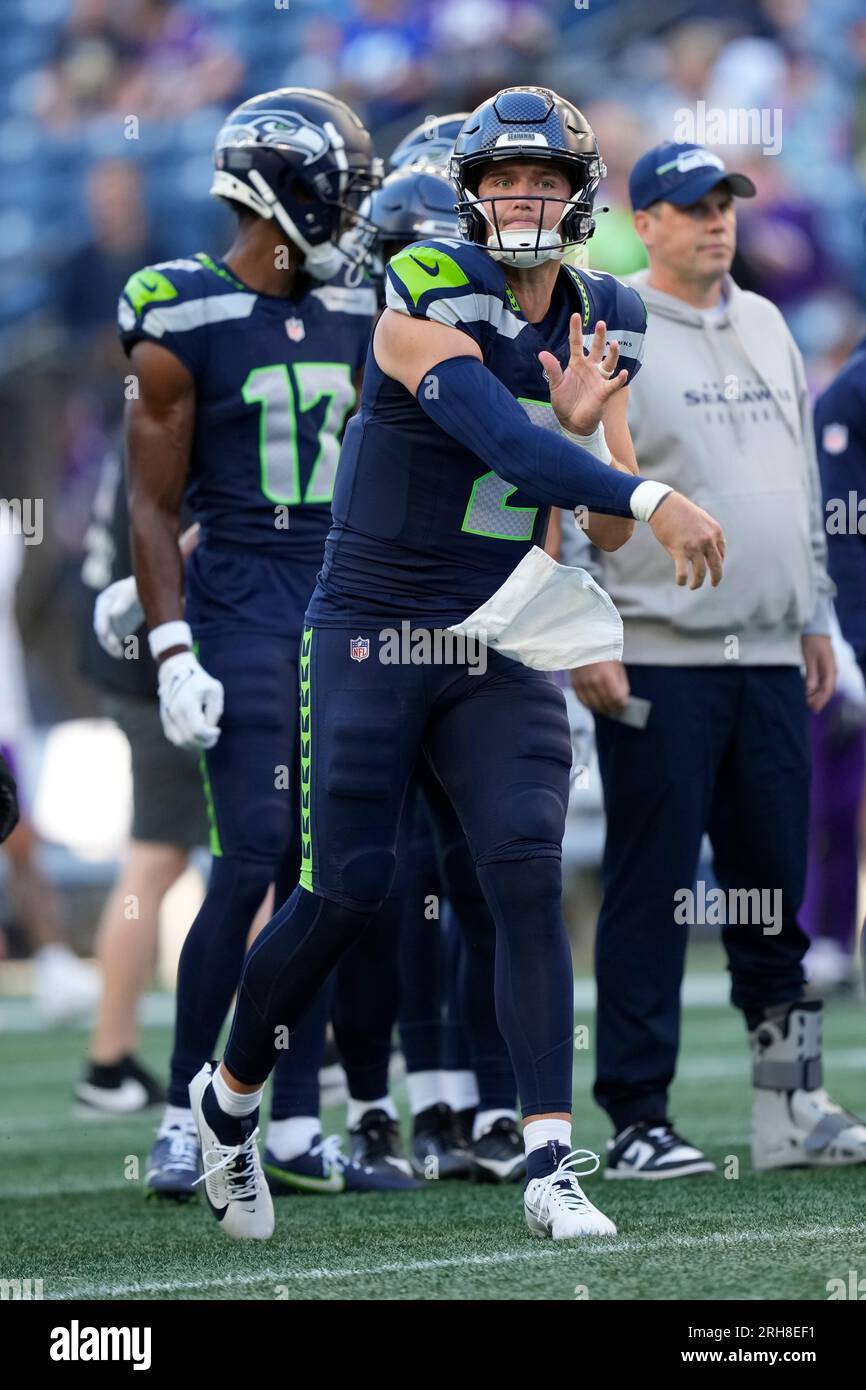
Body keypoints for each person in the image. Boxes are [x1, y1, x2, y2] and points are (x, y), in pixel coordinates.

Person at [188, 86, 725, 1243]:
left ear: (576, 196)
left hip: (495, 626)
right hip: (372, 626)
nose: (519, 199)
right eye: (499, 182)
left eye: (539, 181)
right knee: (347, 890)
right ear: (471, 197)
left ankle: (545, 1157)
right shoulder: (420, 293)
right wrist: (626, 478)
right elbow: (498, 436)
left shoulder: (605, 312)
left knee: (523, 870)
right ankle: (228, 1103)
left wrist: (595, 443)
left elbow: (610, 526)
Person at [118, 88, 415, 1198]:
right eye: (340, 182)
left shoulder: (362, 308)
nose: (353, 204)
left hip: (346, 594)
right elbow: (151, 500)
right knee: (250, 853)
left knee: (332, 871)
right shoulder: (179, 307)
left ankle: (288, 1118)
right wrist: (170, 642)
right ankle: (182, 1106)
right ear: (280, 185)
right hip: (242, 593)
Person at [568, 141, 866, 1178]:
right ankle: (638, 1116)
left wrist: (816, 611)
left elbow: (794, 484)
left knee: (769, 888)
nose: (714, 221)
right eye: (688, 208)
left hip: (774, 655)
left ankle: (790, 1109)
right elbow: (580, 488)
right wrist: (586, 632)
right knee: (652, 891)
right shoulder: (609, 327)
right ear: (641, 223)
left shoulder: (769, 320)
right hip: (659, 654)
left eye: (723, 204)